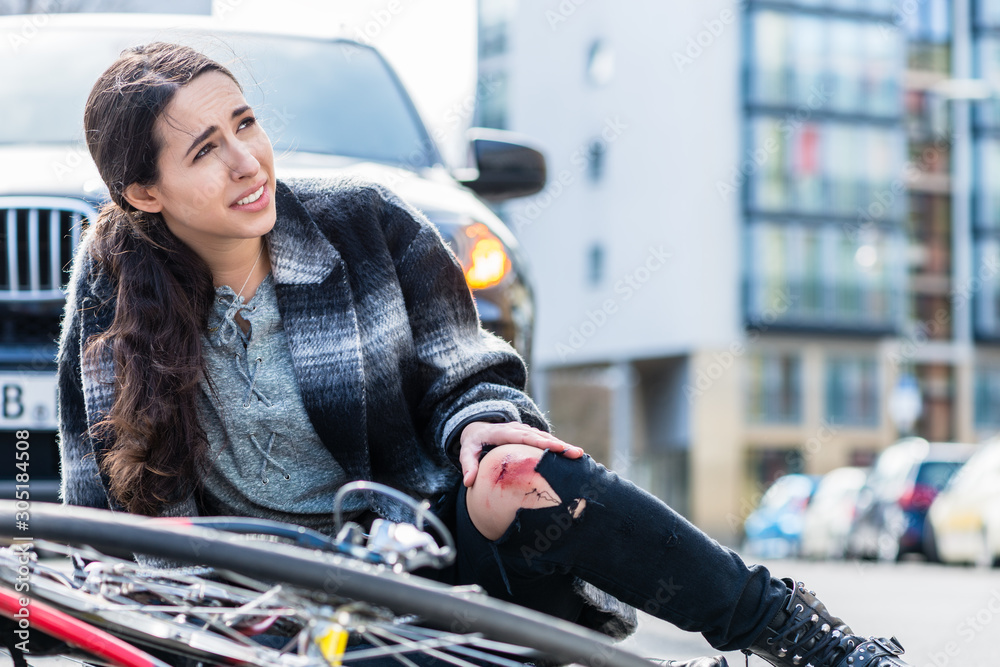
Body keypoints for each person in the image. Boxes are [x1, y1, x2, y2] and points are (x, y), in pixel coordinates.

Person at [57, 41, 911, 667]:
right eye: (206, 149)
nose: (248, 162)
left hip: (418, 545)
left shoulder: (368, 222)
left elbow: (467, 367)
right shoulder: (110, 292)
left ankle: (795, 632)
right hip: (251, 605)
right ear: (144, 191)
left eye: (245, 124)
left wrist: (482, 428)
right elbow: (100, 518)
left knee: (525, 467)